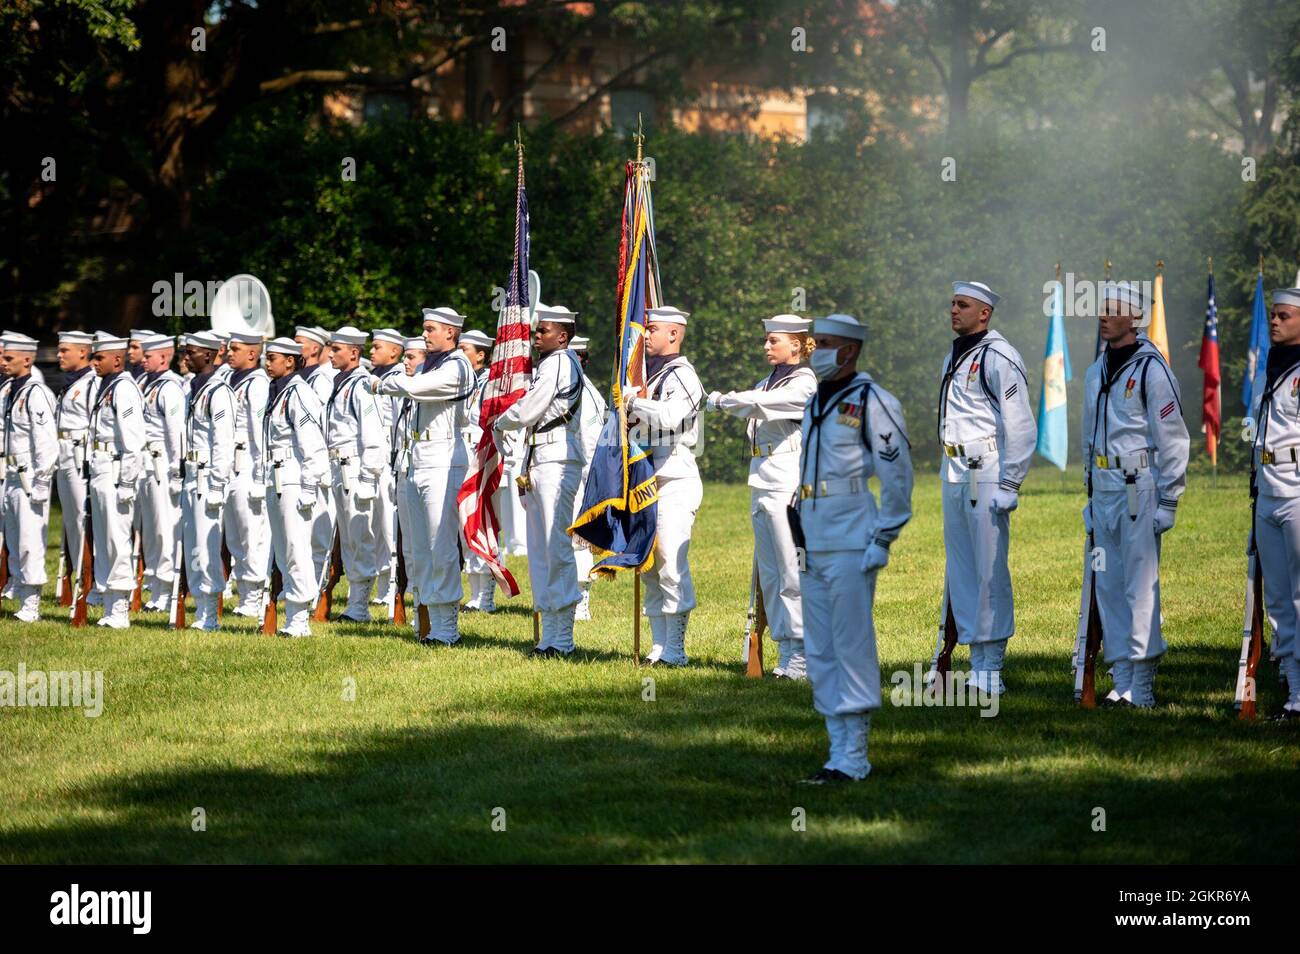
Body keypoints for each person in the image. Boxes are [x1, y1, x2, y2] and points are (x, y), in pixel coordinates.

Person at [794, 313, 913, 783]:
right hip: (811, 536)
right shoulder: (813, 402)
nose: (814, 350)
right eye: (813, 342)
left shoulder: (872, 401)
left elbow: (897, 473)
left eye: (823, 343)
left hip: (851, 538)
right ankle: (835, 750)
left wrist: (885, 534)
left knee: (850, 644)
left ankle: (855, 755)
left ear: (849, 351)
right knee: (820, 647)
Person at [1082, 281, 1190, 707]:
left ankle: (1142, 684)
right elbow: (1089, 440)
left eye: (1112, 309)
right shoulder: (1096, 370)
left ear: (1136, 317)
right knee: (1107, 584)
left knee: (1139, 587)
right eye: (1101, 309)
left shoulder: (1152, 369)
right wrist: (1088, 497)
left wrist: (1168, 499)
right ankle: (1121, 675)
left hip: (1138, 490)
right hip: (1104, 491)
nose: (1103, 316)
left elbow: (1174, 439)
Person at [937, 281, 1037, 694]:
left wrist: (1011, 481)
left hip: (987, 467)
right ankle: (971, 660)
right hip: (954, 469)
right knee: (961, 569)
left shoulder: (999, 356)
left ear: (985, 313)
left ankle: (990, 667)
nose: (954, 310)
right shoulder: (952, 355)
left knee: (989, 570)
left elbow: (1020, 424)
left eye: (962, 305)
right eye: (952, 304)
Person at [707, 315, 818, 679]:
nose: (766, 347)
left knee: (791, 570)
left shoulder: (803, 382)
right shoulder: (765, 382)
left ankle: (802, 651)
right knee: (770, 573)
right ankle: (785, 652)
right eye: (767, 341)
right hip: (762, 479)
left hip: (788, 480)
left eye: (774, 341)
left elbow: (759, 404)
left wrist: (721, 400)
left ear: (796, 345)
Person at [375, 307, 475, 644]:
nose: (426, 334)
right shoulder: (428, 365)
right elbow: (394, 381)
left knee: (440, 544)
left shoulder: (457, 366)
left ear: (451, 332)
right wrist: (398, 380)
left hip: (444, 457)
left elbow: (408, 386)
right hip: (416, 457)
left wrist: (398, 381)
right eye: (425, 328)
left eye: (431, 329)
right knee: (417, 548)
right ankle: (426, 618)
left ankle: (447, 626)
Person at [494, 304, 586, 656]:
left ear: (562, 336)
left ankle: (562, 638)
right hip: (540, 458)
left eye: (543, 330)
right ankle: (550, 634)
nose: (535, 336)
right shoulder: (551, 363)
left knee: (554, 546)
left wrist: (501, 420)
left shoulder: (560, 362)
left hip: (557, 458)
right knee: (541, 550)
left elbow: (533, 407)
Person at [624, 305, 706, 666]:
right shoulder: (647, 374)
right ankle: (659, 646)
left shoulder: (683, 375)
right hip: (646, 478)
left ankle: (677, 647)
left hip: (675, 477)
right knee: (652, 567)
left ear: (674, 334)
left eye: (653, 328)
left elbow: (672, 418)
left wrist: (633, 402)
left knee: (671, 563)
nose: (647, 334)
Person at [1248, 286, 1300, 718]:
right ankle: (1293, 690)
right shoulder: (1269, 366)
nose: (1276, 322)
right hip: (1267, 487)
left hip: (1298, 489)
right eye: (1273, 316)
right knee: (1279, 597)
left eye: (1284, 315)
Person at [262, 338, 328, 637]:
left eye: (272, 357)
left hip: (293, 475)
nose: (267, 362)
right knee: (281, 548)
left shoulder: (298, 392)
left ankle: (299, 618)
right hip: (274, 475)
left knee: (295, 546)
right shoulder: (277, 391)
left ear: (290, 361)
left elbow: (312, 443)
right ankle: (291, 614)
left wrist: (310, 486)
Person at [325, 326, 386, 622]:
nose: (330, 354)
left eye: (336, 349)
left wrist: (368, 475)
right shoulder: (340, 381)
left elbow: (372, 432)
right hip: (338, 466)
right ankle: (354, 603)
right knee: (348, 538)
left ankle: (360, 606)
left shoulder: (362, 383)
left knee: (360, 536)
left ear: (354, 352)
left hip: (355, 467)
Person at [87, 332, 147, 628]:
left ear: (117, 359)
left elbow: (133, 441)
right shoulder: (105, 387)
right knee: (103, 538)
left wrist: (127, 482)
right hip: (100, 468)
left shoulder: (124, 389)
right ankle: (108, 601)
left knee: (116, 538)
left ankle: (120, 608)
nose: (94, 362)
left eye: (99, 357)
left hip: (115, 470)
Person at [181, 331, 236, 631]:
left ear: (209, 354)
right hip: (191, 474)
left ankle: (210, 613)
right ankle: (199, 607)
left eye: (191, 352)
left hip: (207, 477)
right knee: (192, 545)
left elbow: (223, 442)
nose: (186, 357)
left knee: (206, 545)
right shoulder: (194, 388)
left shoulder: (219, 392)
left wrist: (217, 483)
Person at [1, 333, 57, 621]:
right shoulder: (9, 389)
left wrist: (42, 480)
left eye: (8, 357)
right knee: (12, 539)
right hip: (8, 475)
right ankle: (20, 594)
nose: (2, 362)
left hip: (28, 477)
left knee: (29, 539)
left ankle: (32, 603)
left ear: (27, 358)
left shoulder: (37, 393)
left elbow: (47, 441)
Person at [136, 334, 186, 612]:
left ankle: (166, 589)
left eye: (148, 356)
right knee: (151, 530)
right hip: (146, 463)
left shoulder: (169, 387)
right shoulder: (146, 384)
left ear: (164, 358)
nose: (143, 360)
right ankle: (155, 584)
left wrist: (176, 470)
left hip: (161, 465)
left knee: (165, 528)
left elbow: (175, 433)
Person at [224, 331, 271, 616]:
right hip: (231, 464)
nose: (229, 353)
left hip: (248, 464)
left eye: (236, 349)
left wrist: (259, 475)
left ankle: (254, 594)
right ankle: (244, 592)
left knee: (251, 531)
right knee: (235, 534)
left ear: (252, 354)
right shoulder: (231, 381)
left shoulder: (257, 384)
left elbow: (259, 434)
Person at [54, 331, 100, 606]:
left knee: (85, 522)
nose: (59, 355)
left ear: (83, 352)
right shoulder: (69, 383)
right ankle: (79, 581)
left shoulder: (92, 384)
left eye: (64, 350)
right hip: (64, 456)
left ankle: (90, 583)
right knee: (71, 522)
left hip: (80, 456)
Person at [458, 327, 499, 613]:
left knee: (484, 526)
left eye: (465, 350)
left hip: (483, 459)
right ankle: (474, 593)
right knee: (466, 525)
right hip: (465, 457)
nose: (459, 356)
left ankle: (486, 595)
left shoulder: (490, 383)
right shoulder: (466, 383)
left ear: (481, 355)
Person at [567, 335, 608, 622]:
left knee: (578, 541)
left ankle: (581, 601)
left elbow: (592, 443)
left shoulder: (585, 393)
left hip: (580, 475)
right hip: (571, 473)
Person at [294, 325, 337, 581]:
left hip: (317, 462)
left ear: (314, 348)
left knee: (319, 533)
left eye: (299, 343)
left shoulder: (320, 379)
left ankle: (318, 589)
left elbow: (322, 425)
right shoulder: (297, 380)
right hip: (298, 463)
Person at [368, 328, 407, 609]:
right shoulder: (372, 377)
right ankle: (382, 587)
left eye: (377, 347)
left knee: (389, 528)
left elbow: (397, 425)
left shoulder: (398, 380)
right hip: (371, 462)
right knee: (375, 528)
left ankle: (393, 587)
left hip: (389, 460)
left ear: (394, 351)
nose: (372, 351)